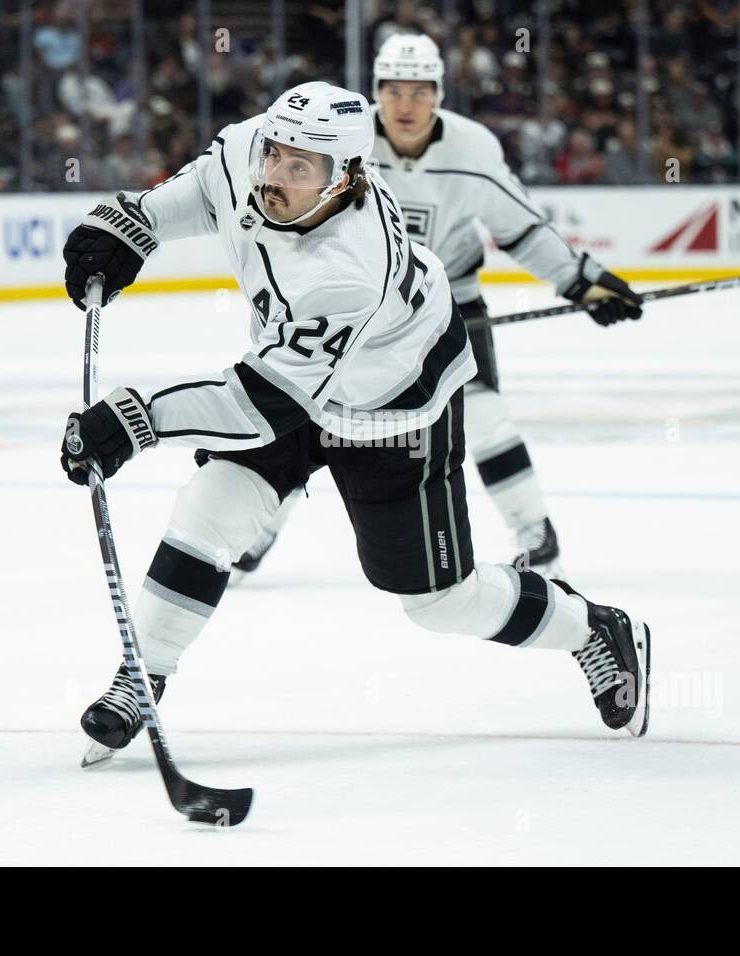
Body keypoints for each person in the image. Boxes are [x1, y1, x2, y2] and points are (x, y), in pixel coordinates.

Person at [58, 81, 652, 755]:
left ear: (344, 180)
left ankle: (592, 627)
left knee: (439, 602)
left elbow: (254, 406)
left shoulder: (344, 270)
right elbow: (203, 191)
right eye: (274, 154)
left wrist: (134, 421)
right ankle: (145, 674)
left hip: (394, 403)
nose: (273, 177)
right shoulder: (251, 151)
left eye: (298, 168)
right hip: (294, 368)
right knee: (212, 504)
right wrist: (129, 225)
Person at [232, 36, 645, 581]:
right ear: (376, 92)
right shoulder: (342, 142)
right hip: (346, 310)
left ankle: (536, 533)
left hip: (445, 308)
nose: (405, 105)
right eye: (393, 90)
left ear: (439, 94)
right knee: (303, 415)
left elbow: (519, 227)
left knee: (483, 414)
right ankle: (255, 532)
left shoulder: (473, 150)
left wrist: (580, 280)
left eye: (420, 91)